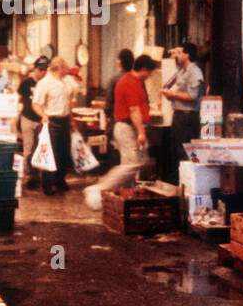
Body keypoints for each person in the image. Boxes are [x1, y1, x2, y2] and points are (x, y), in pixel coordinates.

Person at [85, 55, 154, 210]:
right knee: (131, 165)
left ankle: (126, 198)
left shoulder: (134, 81)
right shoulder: (130, 83)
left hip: (130, 128)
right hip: (127, 128)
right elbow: (134, 110)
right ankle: (99, 187)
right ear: (144, 70)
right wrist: (141, 132)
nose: (149, 76)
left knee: (139, 163)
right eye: (149, 72)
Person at [32, 58, 77, 195]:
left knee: (63, 153)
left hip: (64, 121)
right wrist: (43, 115)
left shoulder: (65, 83)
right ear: (59, 68)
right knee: (51, 154)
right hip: (51, 121)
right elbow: (36, 104)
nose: (67, 70)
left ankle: (60, 181)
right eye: (65, 68)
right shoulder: (44, 83)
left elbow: (67, 104)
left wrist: (71, 120)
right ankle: (48, 184)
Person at [163, 42, 204, 182]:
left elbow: (192, 96)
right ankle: (180, 183)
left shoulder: (194, 72)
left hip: (187, 118)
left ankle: (188, 184)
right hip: (178, 115)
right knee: (176, 152)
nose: (177, 56)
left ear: (187, 55)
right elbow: (170, 85)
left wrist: (173, 95)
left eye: (179, 53)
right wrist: (169, 94)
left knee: (185, 153)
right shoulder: (181, 71)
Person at [17, 57, 49, 190]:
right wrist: (16, 119)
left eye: (45, 70)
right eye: (40, 69)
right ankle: (28, 175)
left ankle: (37, 176)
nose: (42, 72)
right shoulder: (26, 83)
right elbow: (18, 99)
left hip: (41, 121)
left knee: (39, 149)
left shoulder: (47, 85)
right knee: (28, 149)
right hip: (27, 119)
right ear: (35, 69)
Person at [104, 49, 133, 137]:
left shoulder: (114, 80)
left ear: (120, 62)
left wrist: (108, 118)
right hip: (135, 123)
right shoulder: (138, 80)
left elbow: (108, 105)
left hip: (118, 123)